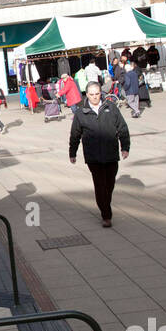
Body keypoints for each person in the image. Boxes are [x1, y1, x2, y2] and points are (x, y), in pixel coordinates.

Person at [68, 81, 130, 227]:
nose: (95, 97)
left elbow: (122, 128)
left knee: (109, 184)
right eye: (92, 94)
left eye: (97, 94)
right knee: (100, 185)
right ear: (87, 95)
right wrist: (73, 152)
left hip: (110, 153)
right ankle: (106, 215)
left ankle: (105, 203)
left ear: (101, 93)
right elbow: (75, 134)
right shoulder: (80, 113)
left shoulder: (111, 108)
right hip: (93, 156)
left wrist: (125, 147)